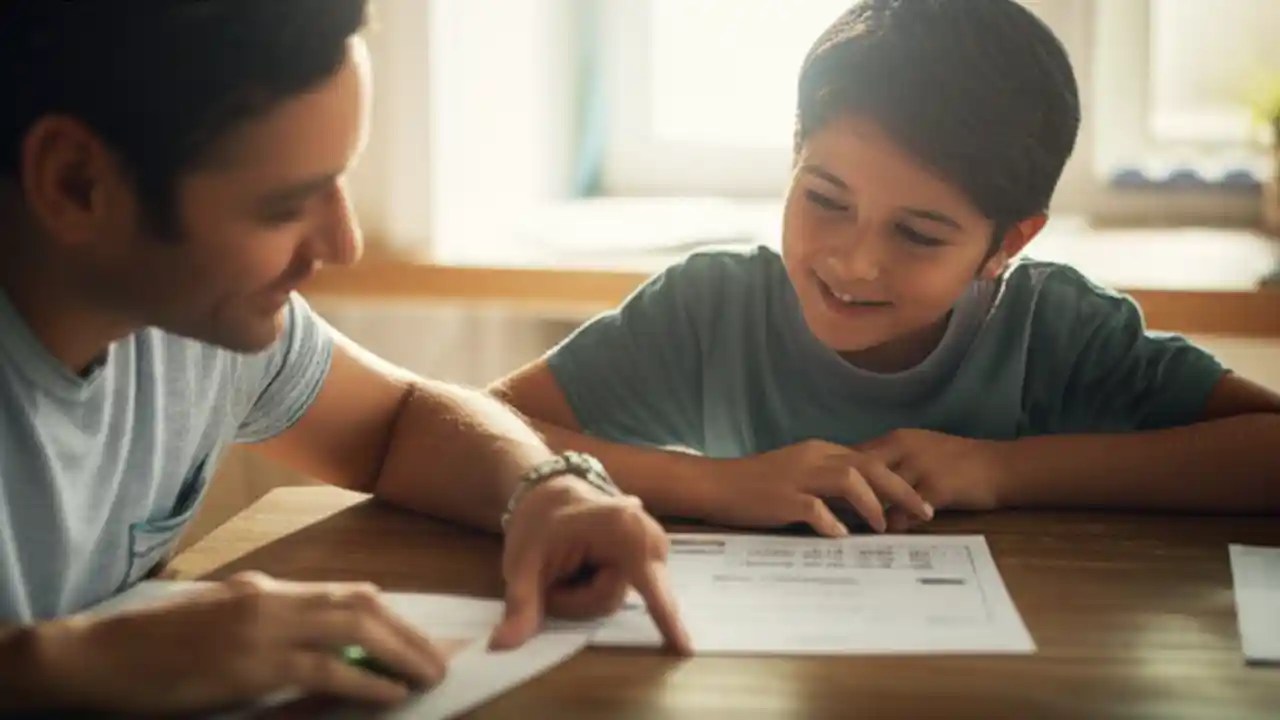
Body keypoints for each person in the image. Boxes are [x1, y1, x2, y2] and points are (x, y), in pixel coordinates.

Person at [0, 1, 688, 714]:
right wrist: (85, 659)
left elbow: (398, 421)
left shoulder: (187, 319)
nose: (343, 243)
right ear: (74, 183)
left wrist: (546, 491)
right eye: (285, 206)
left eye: (340, 181)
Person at [493, 0, 1280, 539]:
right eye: (826, 199)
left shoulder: (1059, 331)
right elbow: (483, 428)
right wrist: (716, 485)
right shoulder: (709, 311)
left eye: (919, 233)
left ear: (1009, 243)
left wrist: (999, 470)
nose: (854, 260)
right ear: (794, 157)